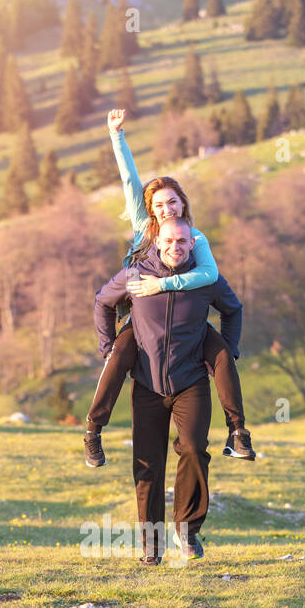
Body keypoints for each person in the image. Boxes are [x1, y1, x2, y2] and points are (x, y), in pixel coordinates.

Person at [84, 108, 255, 469]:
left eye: (172, 202)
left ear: (183, 205)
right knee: (117, 356)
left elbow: (209, 276)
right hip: (143, 320)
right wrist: (117, 136)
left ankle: (238, 433)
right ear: (150, 209)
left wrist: (163, 283)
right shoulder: (144, 226)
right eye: (159, 204)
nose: (165, 210)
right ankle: (93, 433)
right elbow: (130, 180)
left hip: (188, 315)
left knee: (222, 353)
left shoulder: (193, 237)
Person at [94, 217, 243, 565]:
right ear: (158, 243)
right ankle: (151, 545)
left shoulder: (206, 278)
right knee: (148, 463)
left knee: (193, 450)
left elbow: (233, 310)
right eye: (169, 241)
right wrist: (108, 349)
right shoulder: (136, 274)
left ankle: (188, 532)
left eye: (182, 241)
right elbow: (102, 300)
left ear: (193, 244)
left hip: (191, 381)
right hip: (146, 384)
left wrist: (228, 353)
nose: (175, 247)